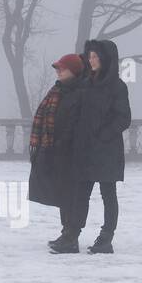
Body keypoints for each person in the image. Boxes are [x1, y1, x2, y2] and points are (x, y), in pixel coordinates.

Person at [55, 39, 131, 255]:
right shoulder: (85, 84)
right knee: (81, 193)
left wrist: (103, 135)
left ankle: (106, 238)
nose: (91, 60)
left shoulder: (117, 87)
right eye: (90, 56)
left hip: (107, 150)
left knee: (108, 193)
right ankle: (72, 237)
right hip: (85, 149)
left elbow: (123, 118)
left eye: (96, 56)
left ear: (106, 59)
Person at [28, 53, 84, 246]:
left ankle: (71, 236)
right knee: (61, 192)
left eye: (62, 68)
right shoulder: (57, 91)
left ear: (73, 71)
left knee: (71, 194)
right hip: (55, 150)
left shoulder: (78, 93)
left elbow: (76, 123)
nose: (59, 71)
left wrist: (63, 143)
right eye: (58, 68)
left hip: (71, 152)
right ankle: (65, 232)